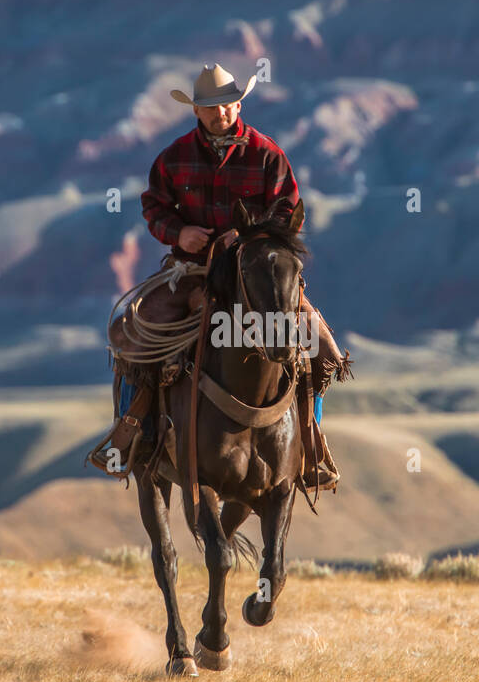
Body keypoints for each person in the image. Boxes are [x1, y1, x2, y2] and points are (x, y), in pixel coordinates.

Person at [89, 62, 350, 486]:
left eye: (226, 104)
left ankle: (312, 445)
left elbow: (288, 210)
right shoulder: (173, 158)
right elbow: (153, 207)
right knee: (135, 331)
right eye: (210, 107)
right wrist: (180, 232)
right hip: (191, 273)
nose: (220, 113)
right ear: (196, 111)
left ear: (239, 103)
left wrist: (252, 239)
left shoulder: (267, 154)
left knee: (318, 345)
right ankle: (128, 437)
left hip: (258, 275)